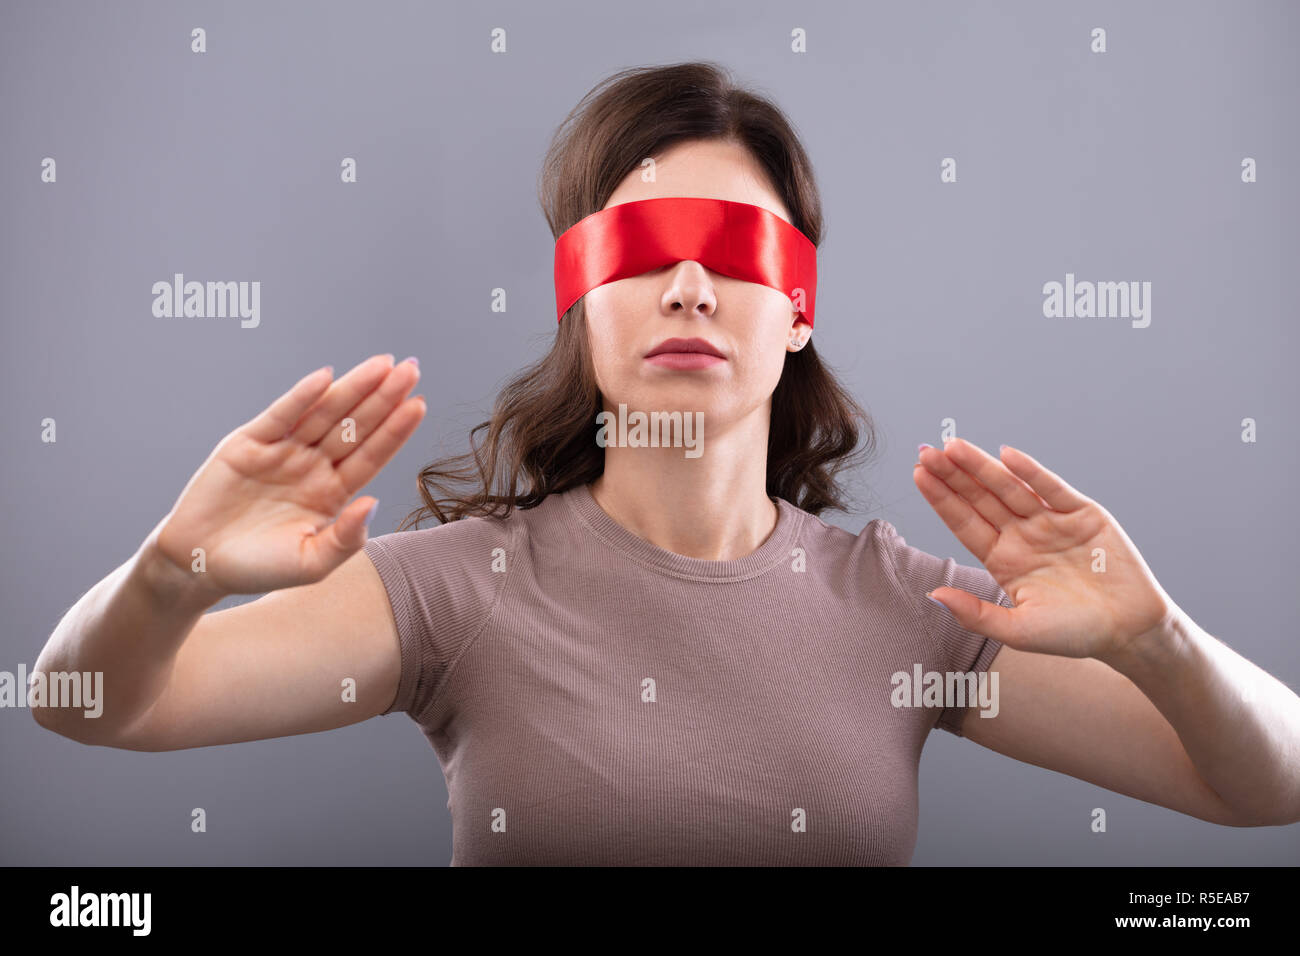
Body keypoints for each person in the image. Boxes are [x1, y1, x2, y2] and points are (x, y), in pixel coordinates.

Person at [32, 62, 1300, 866]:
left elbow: (1265, 792)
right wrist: (173, 567)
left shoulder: (914, 611)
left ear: (798, 307)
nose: (689, 286)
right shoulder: (454, 590)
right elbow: (86, 706)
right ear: (578, 298)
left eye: (737, 251)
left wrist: (1158, 642)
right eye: (640, 248)